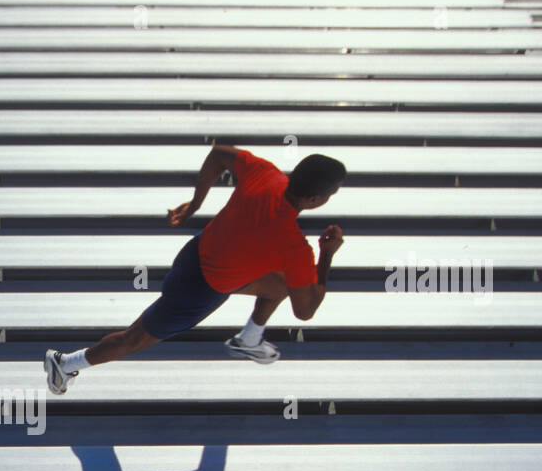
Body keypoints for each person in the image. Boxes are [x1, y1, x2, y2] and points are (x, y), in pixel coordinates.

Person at [45, 146, 346, 394]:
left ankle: (249, 340)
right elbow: (305, 311)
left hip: (197, 253)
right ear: (313, 200)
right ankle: (66, 363)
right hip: (200, 290)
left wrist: (195, 205)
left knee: (282, 284)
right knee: (133, 338)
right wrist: (326, 255)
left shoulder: (265, 173)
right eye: (329, 196)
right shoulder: (295, 248)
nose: (328, 200)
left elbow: (218, 155)